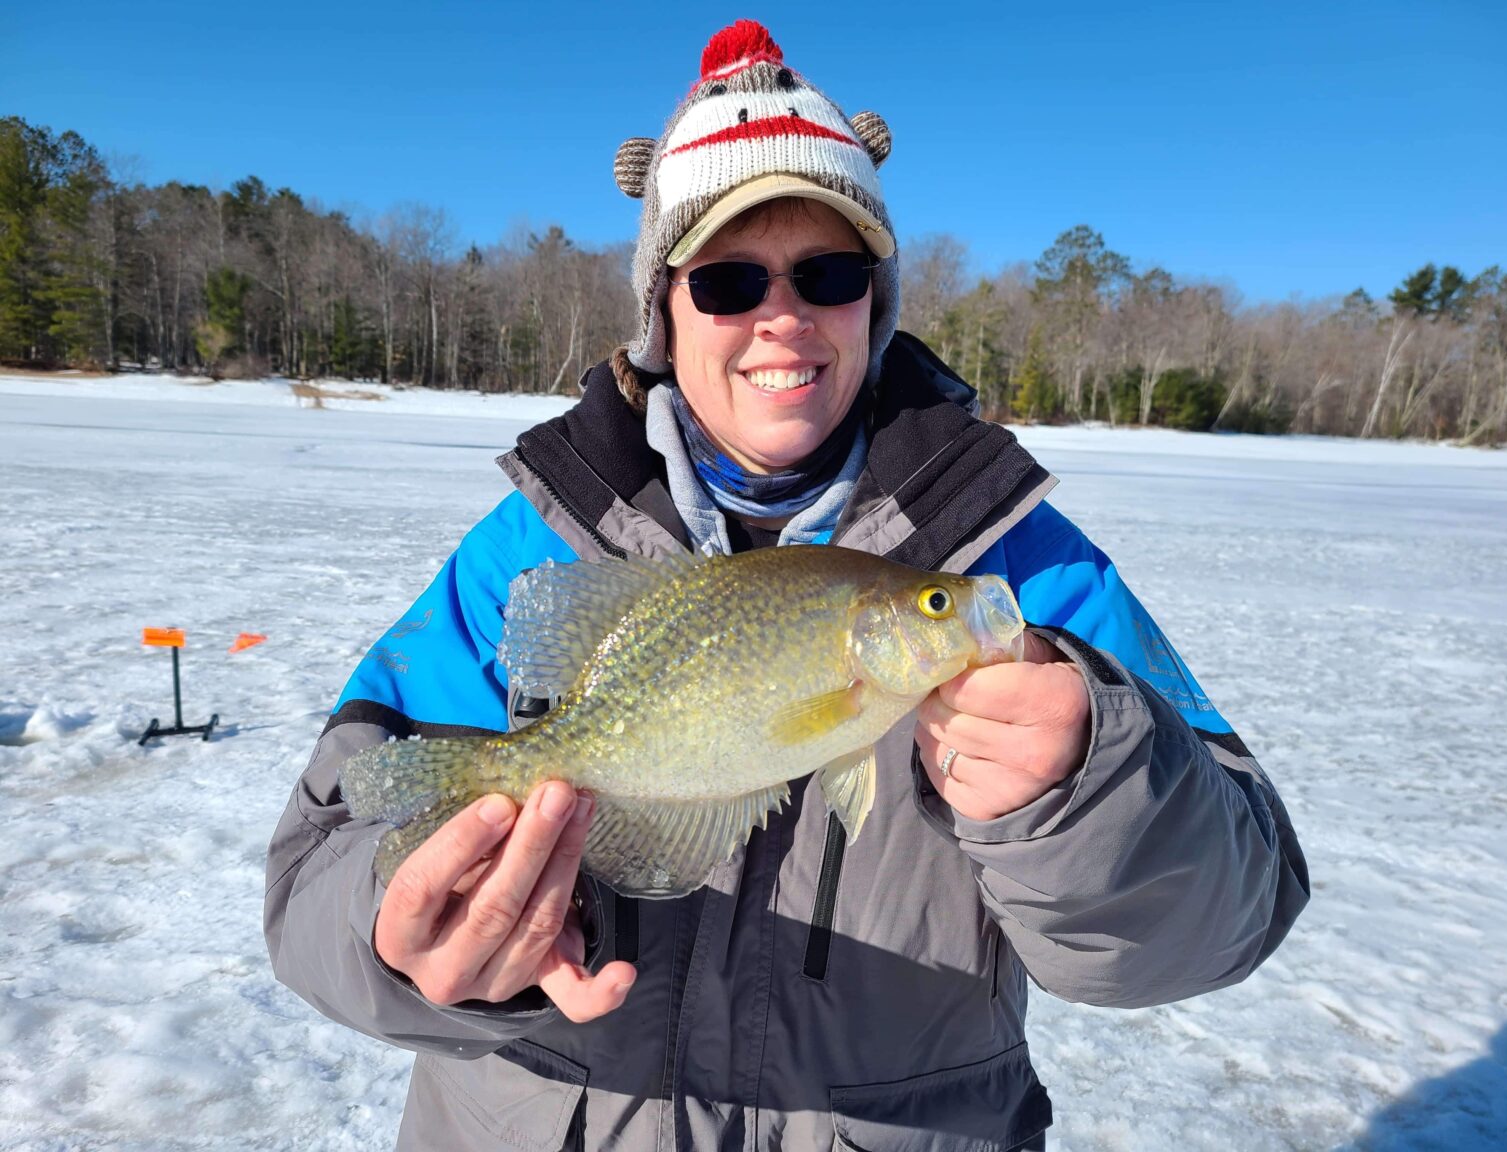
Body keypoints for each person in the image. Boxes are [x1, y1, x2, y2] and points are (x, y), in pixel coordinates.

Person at [265, 20, 1308, 1151]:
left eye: (831, 272)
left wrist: (1090, 790)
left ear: (877, 298)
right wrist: (400, 930)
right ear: (663, 309)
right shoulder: (529, 549)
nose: (783, 316)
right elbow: (324, 867)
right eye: (725, 279)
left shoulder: (1026, 568)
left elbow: (1226, 919)